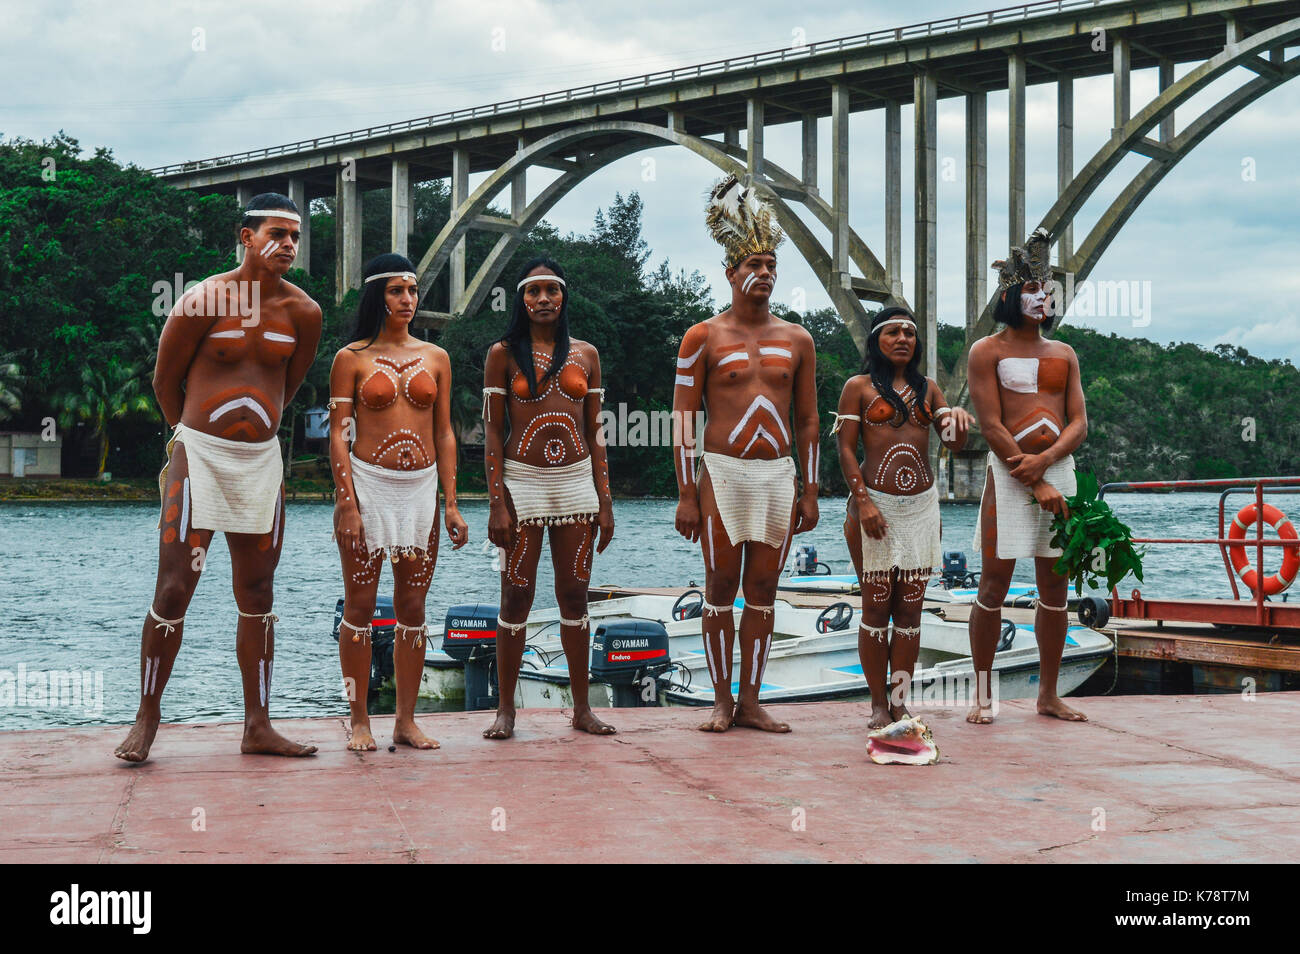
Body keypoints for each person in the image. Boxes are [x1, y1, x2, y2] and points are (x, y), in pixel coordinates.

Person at [115, 193, 322, 762]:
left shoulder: (303, 312)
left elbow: (291, 383)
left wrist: (256, 430)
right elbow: (165, 382)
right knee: (175, 588)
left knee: (257, 592)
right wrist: (189, 440)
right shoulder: (204, 299)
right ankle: (147, 717)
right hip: (199, 453)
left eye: (295, 237)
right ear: (245, 237)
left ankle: (258, 724)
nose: (287, 245)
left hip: (261, 463)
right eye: (275, 234)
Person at [672, 174, 820, 734]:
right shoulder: (702, 337)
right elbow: (685, 419)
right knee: (719, 589)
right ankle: (719, 700)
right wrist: (687, 493)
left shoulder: (798, 340)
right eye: (752, 265)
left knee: (763, 591)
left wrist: (810, 490)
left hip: (777, 475)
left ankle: (752, 701)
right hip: (722, 475)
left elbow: (807, 419)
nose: (763, 273)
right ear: (730, 273)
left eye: (770, 265)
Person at [328, 254, 468, 751]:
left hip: (420, 493)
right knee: (361, 607)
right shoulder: (352, 358)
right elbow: (339, 437)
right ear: (377, 296)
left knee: (413, 605)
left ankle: (405, 721)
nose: (407, 300)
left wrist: (451, 503)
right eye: (396, 291)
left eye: (412, 291)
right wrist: (347, 503)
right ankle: (360, 718)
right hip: (368, 487)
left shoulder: (436, 357)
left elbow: (445, 431)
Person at [481, 258, 615, 739]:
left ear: (564, 297)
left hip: (576, 482)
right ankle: (506, 711)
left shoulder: (586, 354)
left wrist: (605, 498)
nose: (543, 299)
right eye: (533, 291)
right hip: (522, 482)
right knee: (516, 594)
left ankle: (581, 709)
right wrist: (497, 501)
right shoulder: (503, 353)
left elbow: (596, 430)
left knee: (575, 594)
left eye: (551, 291)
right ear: (521, 298)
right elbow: (493, 431)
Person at [966, 227, 1088, 724]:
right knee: (993, 586)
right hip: (1010, 473)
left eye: (1049, 292)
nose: (1045, 299)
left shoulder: (1063, 354)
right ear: (1010, 296)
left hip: (1059, 470)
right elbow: (991, 424)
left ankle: (1049, 695)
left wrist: (1049, 462)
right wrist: (1031, 476)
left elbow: (1079, 421)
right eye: (1035, 291)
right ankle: (981, 694)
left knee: (1056, 589)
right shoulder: (985, 352)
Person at [833, 306, 972, 731]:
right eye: (892, 332)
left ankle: (899, 703)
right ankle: (877, 705)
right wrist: (865, 503)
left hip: (921, 510)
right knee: (876, 608)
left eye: (909, 333)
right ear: (876, 339)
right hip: (875, 507)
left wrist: (958, 420)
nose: (902, 339)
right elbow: (845, 451)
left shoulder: (929, 390)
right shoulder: (857, 388)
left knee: (910, 613)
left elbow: (955, 442)